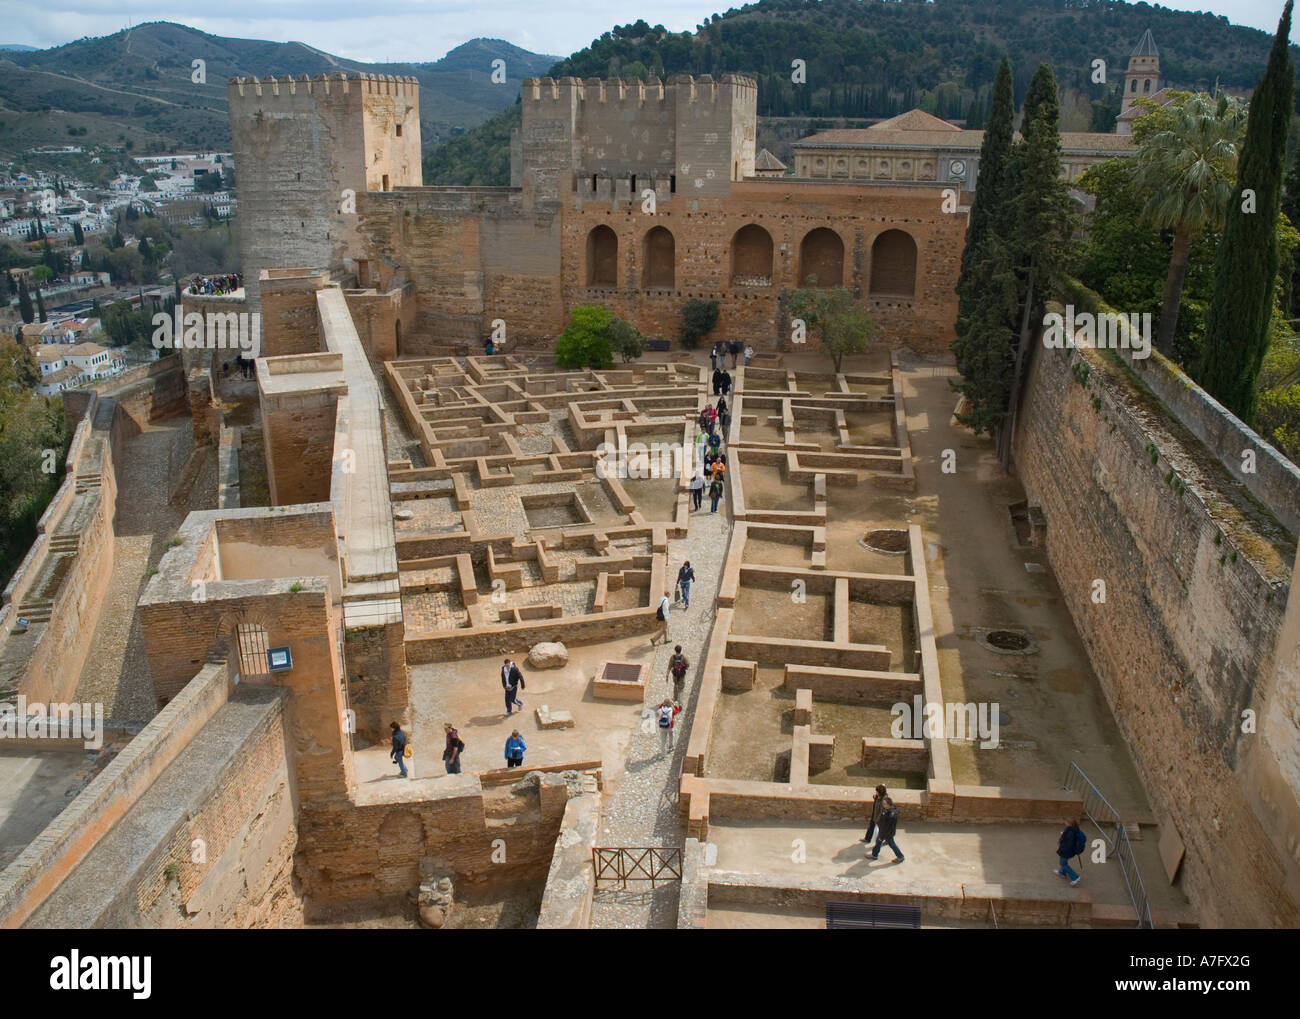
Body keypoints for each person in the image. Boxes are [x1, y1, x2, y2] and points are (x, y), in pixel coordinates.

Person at [870, 796, 904, 862]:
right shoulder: (891, 810)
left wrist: (881, 836)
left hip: (886, 833)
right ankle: (874, 855)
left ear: (889, 804)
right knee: (878, 842)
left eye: (885, 804)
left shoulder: (890, 815)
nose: (883, 805)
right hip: (887, 832)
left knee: (891, 844)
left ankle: (900, 856)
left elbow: (886, 827)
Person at [1054, 818, 1087, 886]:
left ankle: (1075, 877)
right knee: (1063, 862)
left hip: (1066, 851)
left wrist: (1060, 849)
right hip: (1069, 851)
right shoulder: (1073, 830)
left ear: (1069, 824)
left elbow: (1068, 844)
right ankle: (1062, 872)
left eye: (1066, 822)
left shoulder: (1070, 832)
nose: (1065, 823)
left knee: (1063, 864)